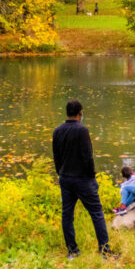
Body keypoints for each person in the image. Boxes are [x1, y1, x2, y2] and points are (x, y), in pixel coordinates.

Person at [52, 100, 113, 259]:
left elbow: (56, 158)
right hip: (82, 179)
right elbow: (87, 157)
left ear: (67, 113)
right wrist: (92, 177)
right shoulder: (82, 131)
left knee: (67, 215)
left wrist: (61, 174)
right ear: (80, 113)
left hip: (65, 178)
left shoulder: (57, 131)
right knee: (97, 213)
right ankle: (105, 251)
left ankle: (72, 251)